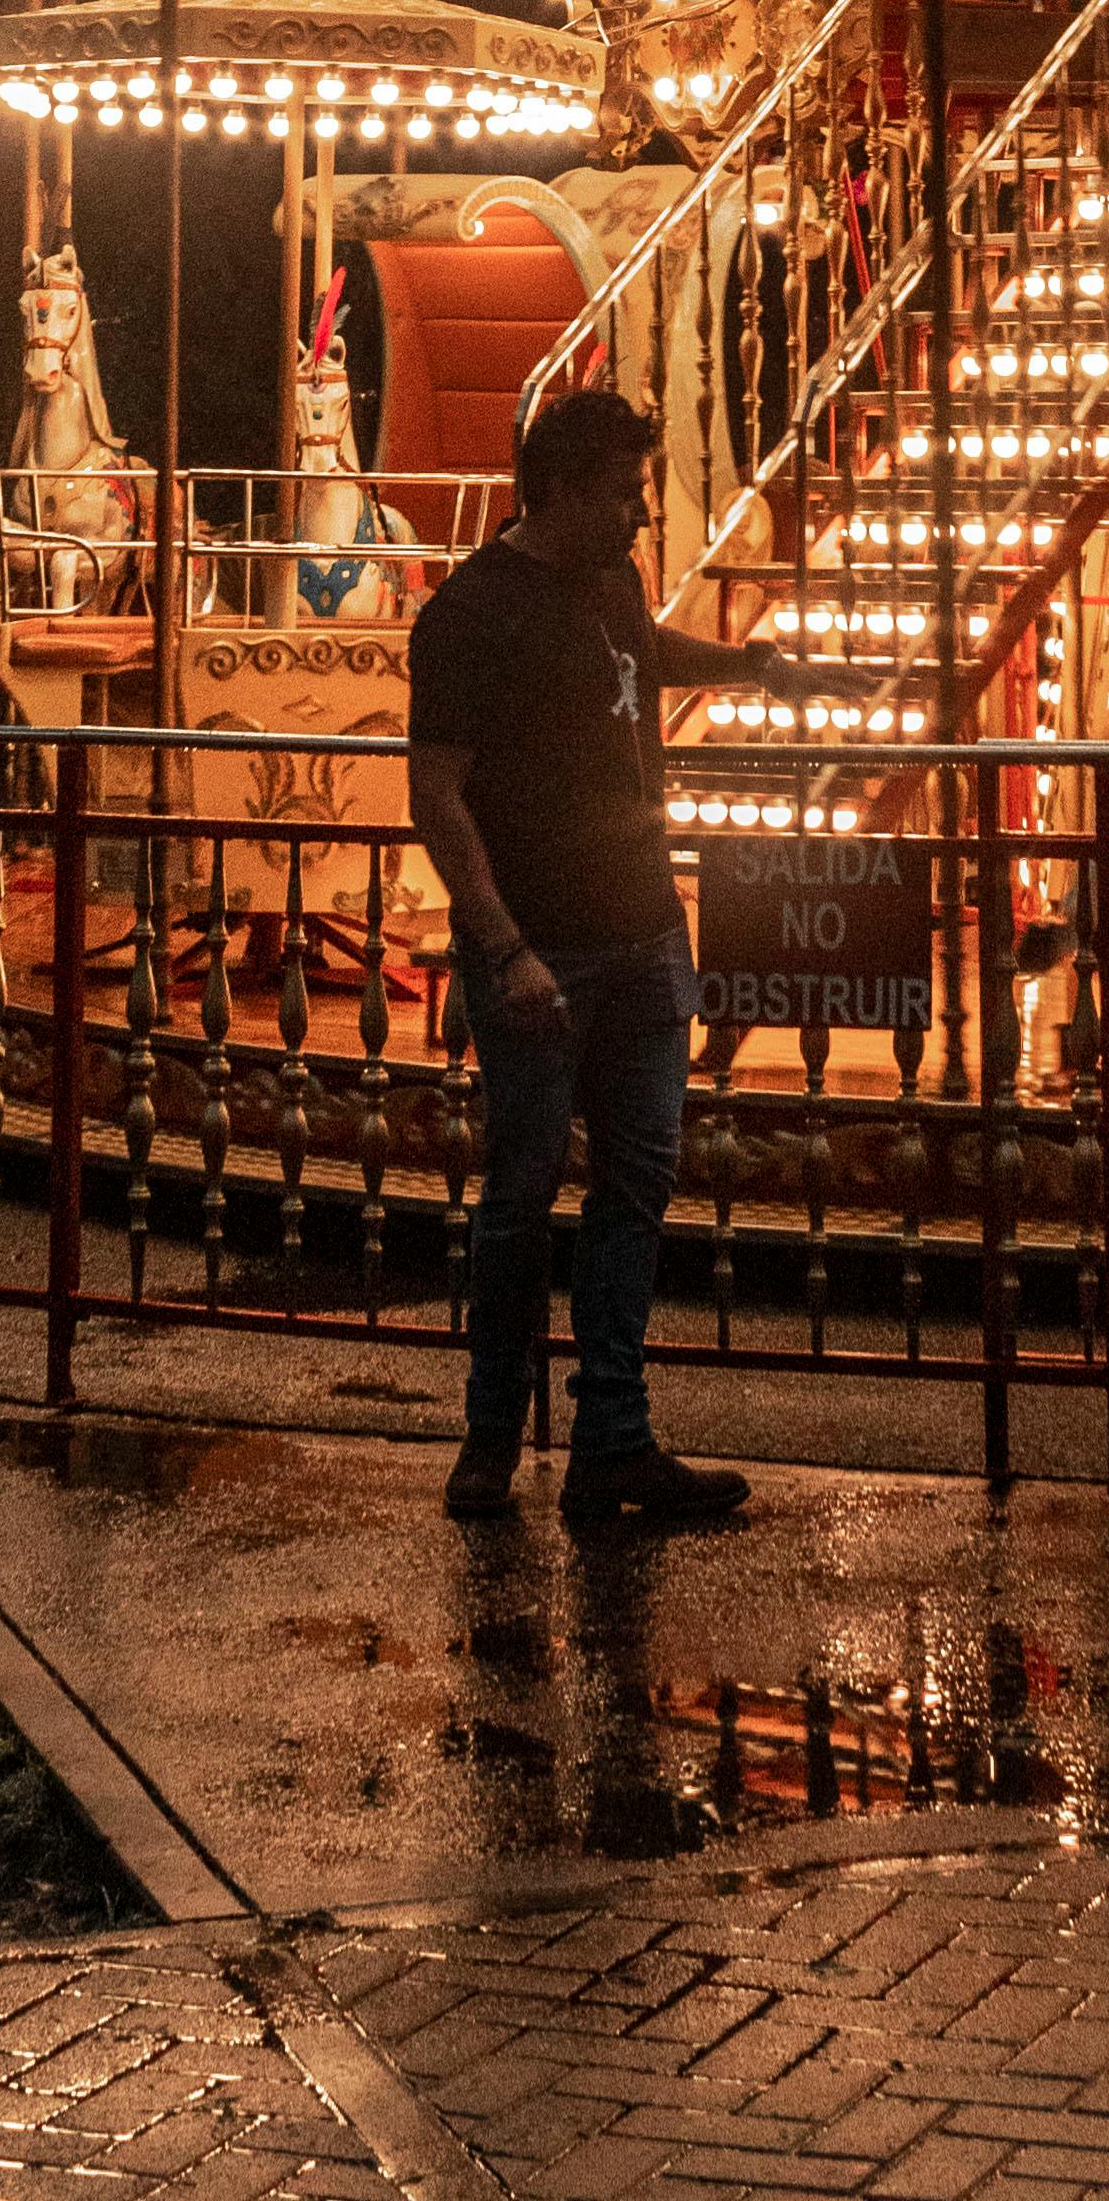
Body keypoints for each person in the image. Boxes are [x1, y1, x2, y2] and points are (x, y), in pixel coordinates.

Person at [405, 383, 797, 1526]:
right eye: (625, 494)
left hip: (640, 933)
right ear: (564, 491)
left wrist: (749, 666)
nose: (640, 515)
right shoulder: (471, 614)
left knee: (637, 1189)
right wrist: (503, 947)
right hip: (542, 952)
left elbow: (641, 652)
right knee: (521, 1197)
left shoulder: (611, 580)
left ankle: (612, 1438)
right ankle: (489, 1438)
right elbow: (437, 796)